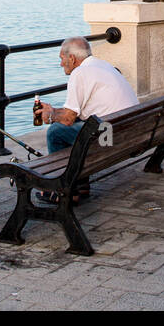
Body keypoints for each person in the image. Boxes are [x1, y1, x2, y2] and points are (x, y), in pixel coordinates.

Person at [34, 37, 140, 202]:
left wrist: (49, 116)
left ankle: (62, 189)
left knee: (56, 133)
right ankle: (79, 187)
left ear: (72, 58)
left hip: (111, 139)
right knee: (79, 128)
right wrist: (54, 111)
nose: (61, 64)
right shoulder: (102, 65)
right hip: (131, 131)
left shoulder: (80, 72)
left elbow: (68, 119)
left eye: (62, 58)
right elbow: (74, 114)